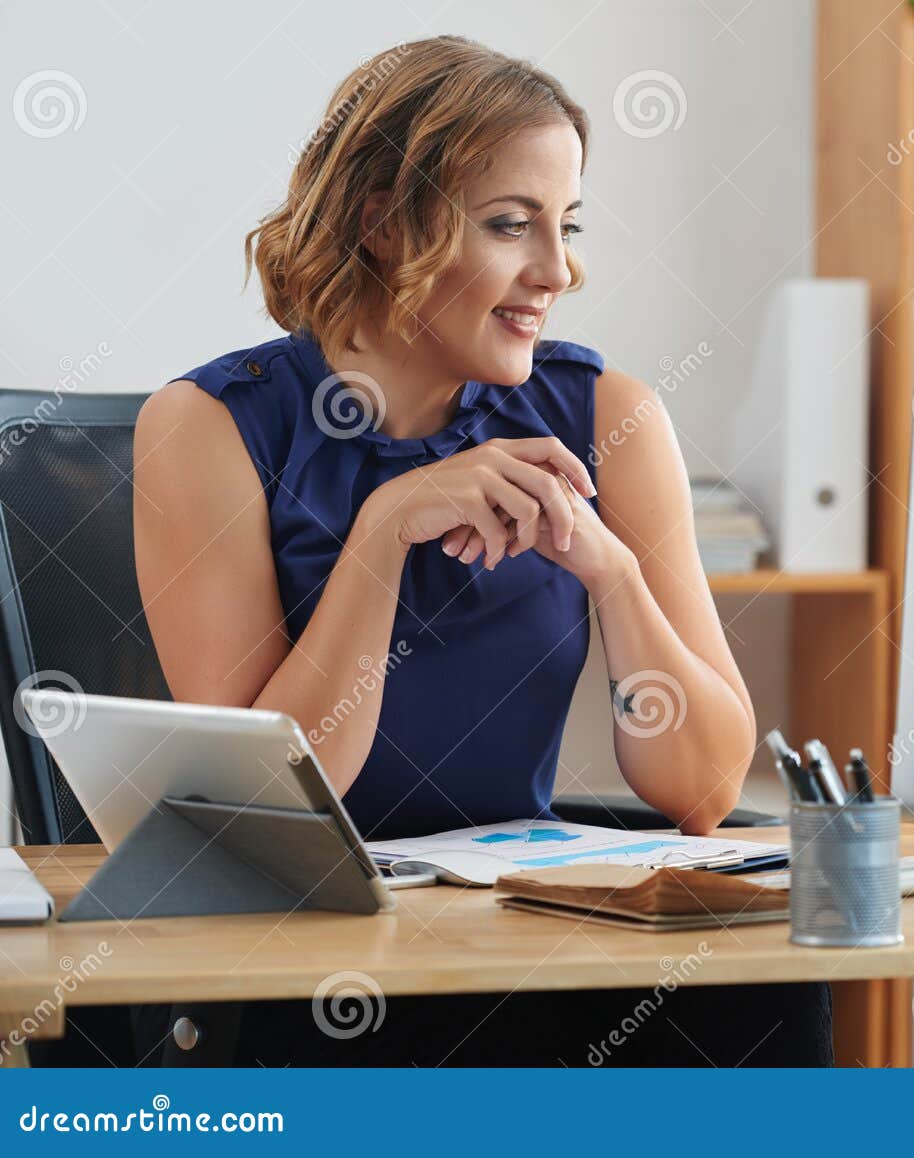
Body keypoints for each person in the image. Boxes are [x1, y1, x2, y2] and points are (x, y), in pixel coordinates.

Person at [124, 34, 830, 1067]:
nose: (558, 270)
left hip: (523, 931)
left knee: (749, 1008)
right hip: (303, 954)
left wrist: (613, 571)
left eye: (567, 225)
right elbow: (265, 813)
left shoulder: (606, 415)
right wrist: (380, 535)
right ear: (382, 222)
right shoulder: (211, 425)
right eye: (511, 226)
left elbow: (704, 789)